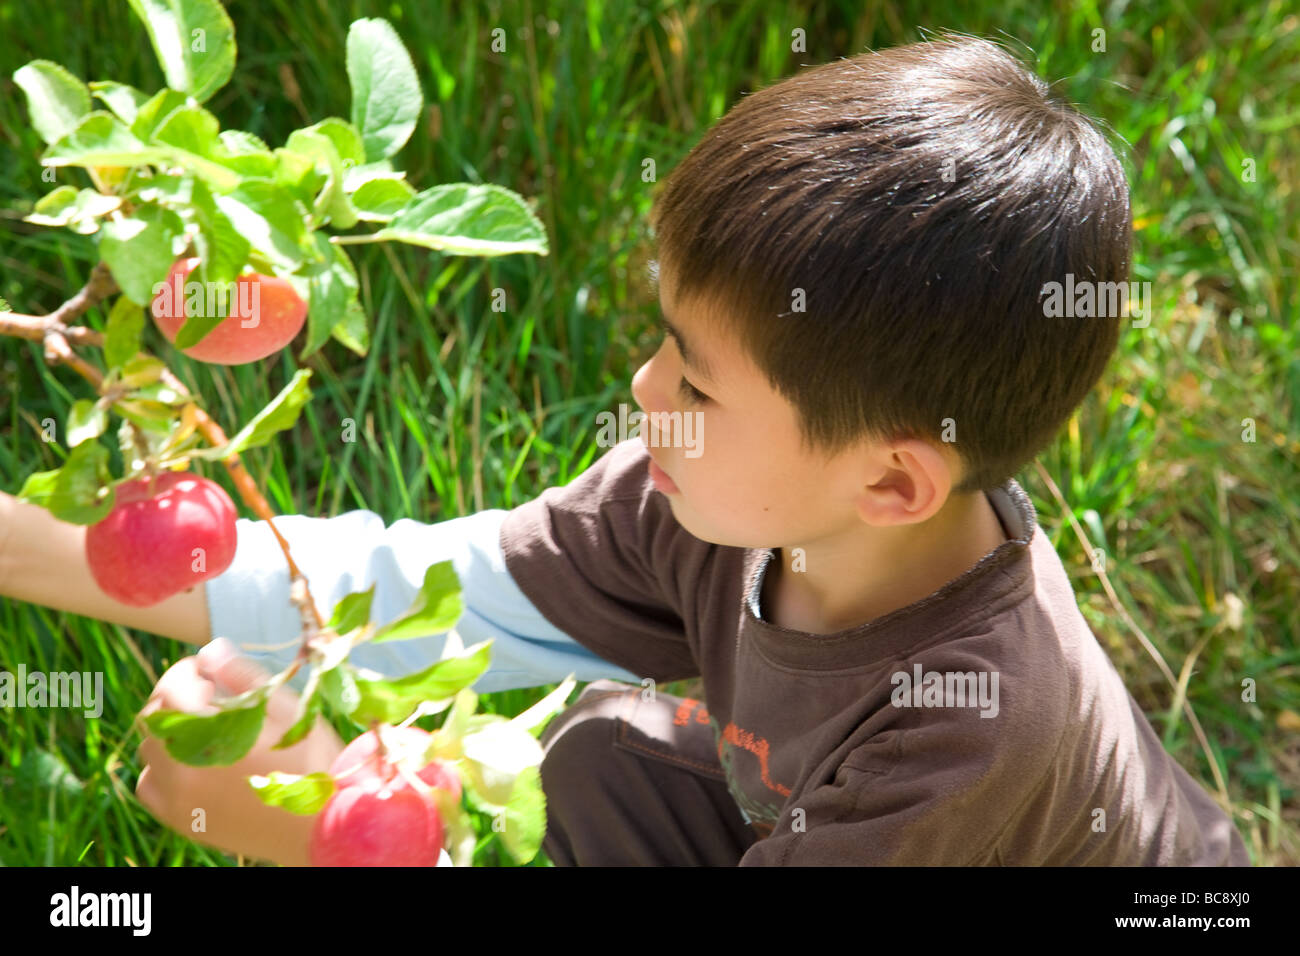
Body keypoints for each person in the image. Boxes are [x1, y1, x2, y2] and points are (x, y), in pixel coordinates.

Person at [0, 34, 1250, 866]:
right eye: (666, 342)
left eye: (695, 380)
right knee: (598, 759)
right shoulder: (709, 500)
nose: (644, 388)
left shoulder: (972, 731)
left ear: (887, 477)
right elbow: (420, 591)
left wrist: (368, 830)